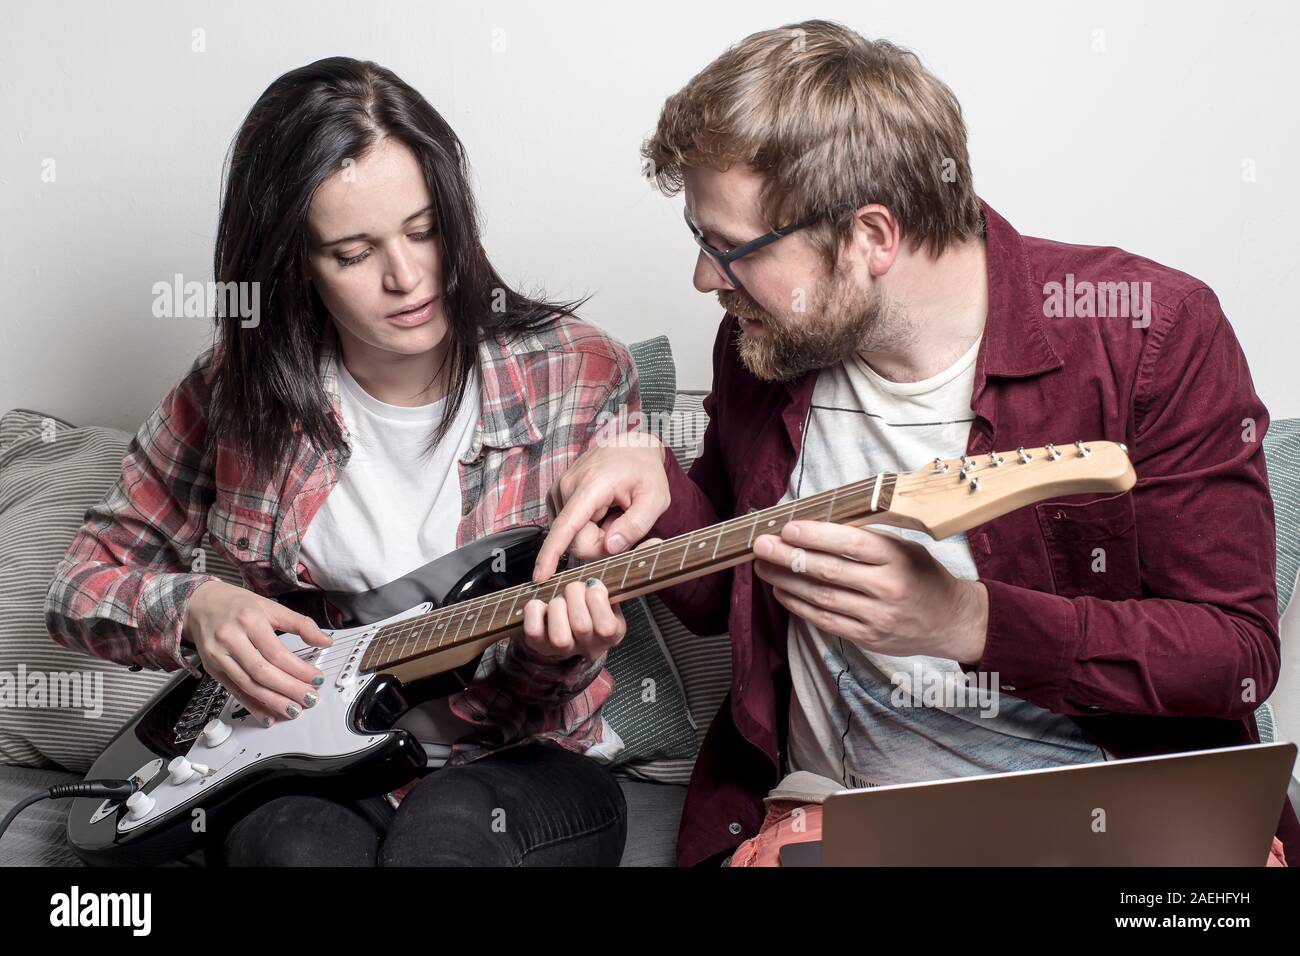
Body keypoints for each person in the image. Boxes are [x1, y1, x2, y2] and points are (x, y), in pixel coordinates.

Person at [535, 20, 1297, 867]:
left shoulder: (1150, 333)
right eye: (700, 242)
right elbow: (728, 604)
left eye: (731, 250)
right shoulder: (762, 346)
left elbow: (1235, 653)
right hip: (836, 824)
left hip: (1108, 817)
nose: (706, 280)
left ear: (872, 237)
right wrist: (657, 483)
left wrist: (967, 620)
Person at [46, 57, 635, 866]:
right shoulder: (233, 392)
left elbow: (554, 672)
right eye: (354, 254)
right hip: (297, 762)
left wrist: (557, 650)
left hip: (521, 761)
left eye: (424, 231)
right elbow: (81, 581)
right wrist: (195, 609)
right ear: (294, 265)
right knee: (294, 851)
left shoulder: (582, 372)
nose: (407, 278)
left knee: (448, 836)